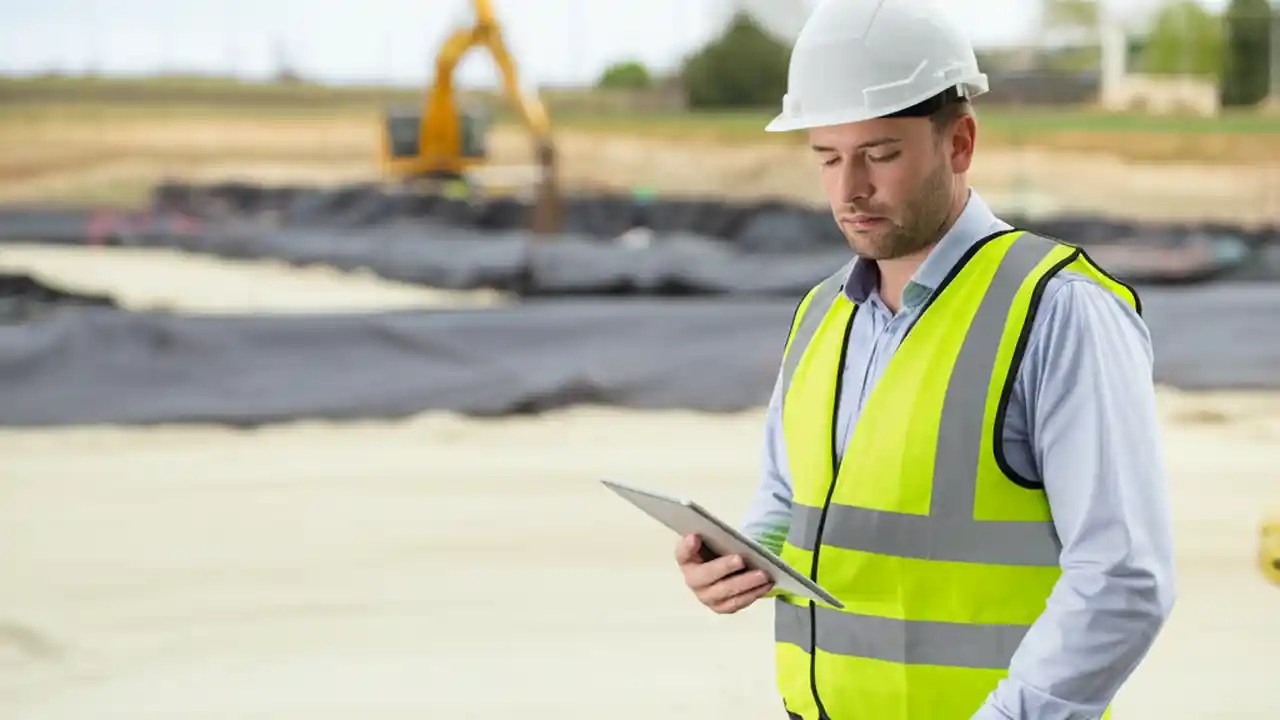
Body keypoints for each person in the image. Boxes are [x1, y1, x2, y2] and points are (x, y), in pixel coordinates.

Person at [672, 1, 1176, 718]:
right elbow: (790, 503)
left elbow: (1124, 578)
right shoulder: (822, 314)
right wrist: (746, 559)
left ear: (959, 143)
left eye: (879, 155)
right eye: (826, 157)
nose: (849, 190)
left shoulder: (1057, 310)